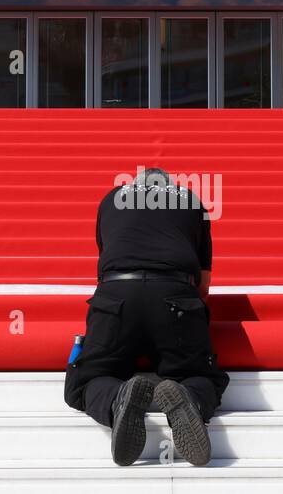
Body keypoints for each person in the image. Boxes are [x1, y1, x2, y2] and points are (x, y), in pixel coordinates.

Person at [63, 167, 229, 467]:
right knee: (202, 376)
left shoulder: (110, 199)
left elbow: (105, 262)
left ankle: (117, 398)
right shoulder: (191, 200)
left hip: (116, 296)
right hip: (176, 296)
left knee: (87, 380)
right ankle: (188, 395)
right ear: (170, 186)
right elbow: (203, 286)